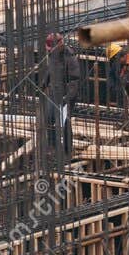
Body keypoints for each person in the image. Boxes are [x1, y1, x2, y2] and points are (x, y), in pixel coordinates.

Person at [37, 32, 81, 168]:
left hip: (66, 95)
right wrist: (43, 84)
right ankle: (52, 148)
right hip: (54, 93)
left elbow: (75, 80)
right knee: (49, 118)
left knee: (64, 122)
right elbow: (50, 70)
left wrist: (67, 97)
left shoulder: (70, 57)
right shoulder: (53, 55)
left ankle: (67, 151)